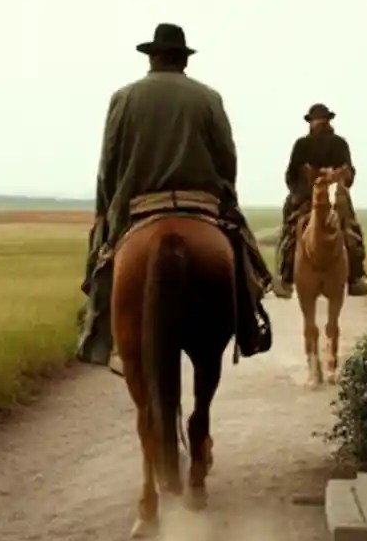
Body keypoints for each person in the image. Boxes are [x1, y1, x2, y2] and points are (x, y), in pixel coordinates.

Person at [76, 23, 273, 366]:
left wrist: (106, 211)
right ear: (183, 61)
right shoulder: (209, 98)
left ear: (152, 58)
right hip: (202, 202)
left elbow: (108, 163)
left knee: (103, 263)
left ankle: (100, 336)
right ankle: (249, 327)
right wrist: (227, 197)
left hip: (139, 205)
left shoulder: (124, 98)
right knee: (240, 251)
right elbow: (227, 158)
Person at [273, 103, 367, 298]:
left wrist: (339, 176)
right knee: (292, 229)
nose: (319, 123)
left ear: (327, 121)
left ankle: (356, 275)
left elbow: (349, 171)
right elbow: (291, 174)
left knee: (350, 229)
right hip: (306, 195)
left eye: (322, 119)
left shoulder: (339, 144)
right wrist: (304, 184)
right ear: (311, 122)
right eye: (316, 120)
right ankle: (286, 275)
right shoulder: (301, 145)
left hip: (335, 194)